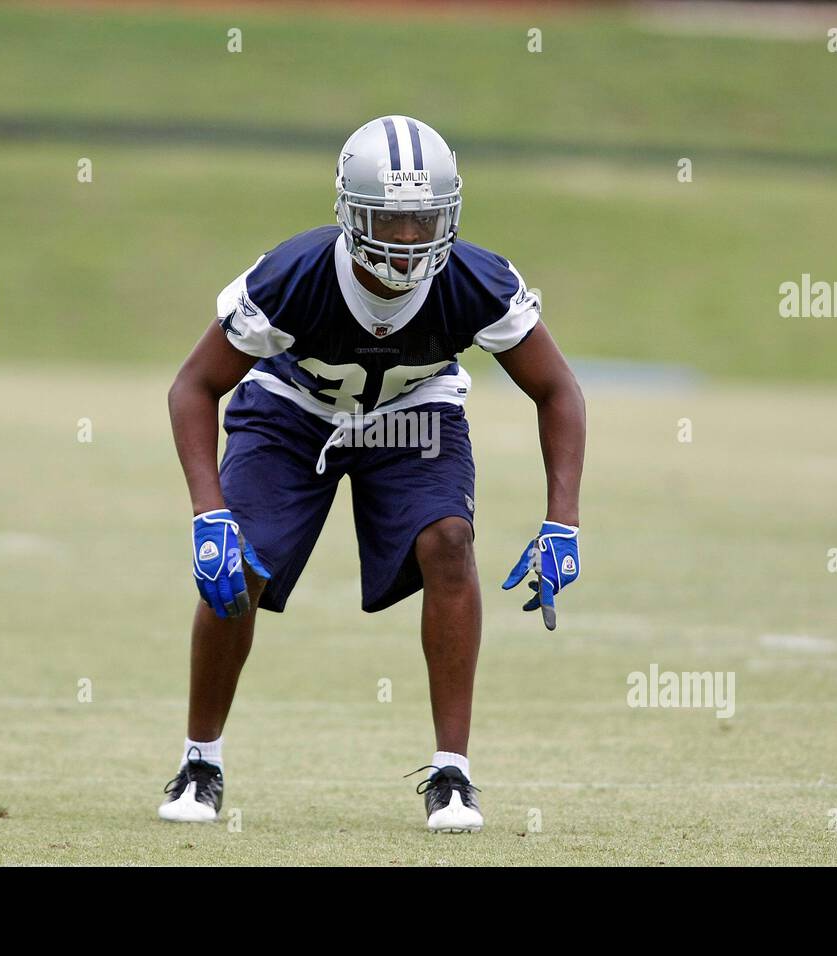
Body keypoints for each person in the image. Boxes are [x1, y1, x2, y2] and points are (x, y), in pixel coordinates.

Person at [161, 116, 585, 832]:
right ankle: (201, 761)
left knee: (450, 539)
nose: (408, 239)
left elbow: (558, 390)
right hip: (294, 409)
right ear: (350, 214)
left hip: (412, 412)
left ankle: (453, 774)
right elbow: (193, 387)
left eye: (424, 220)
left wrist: (562, 522)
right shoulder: (292, 276)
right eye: (390, 219)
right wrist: (210, 513)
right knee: (245, 561)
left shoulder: (477, 281)